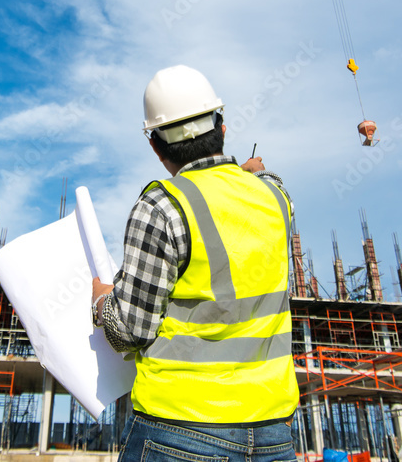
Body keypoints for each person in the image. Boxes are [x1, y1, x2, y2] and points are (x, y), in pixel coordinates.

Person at [91, 65, 299, 462]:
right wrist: (253, 174)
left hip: (179, 430)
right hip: (274, 431)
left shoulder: (162, 206)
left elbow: (128, 332)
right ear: (222, 127)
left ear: (155, 146)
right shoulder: (275, 201)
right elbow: (270, 179)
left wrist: (102, 302)